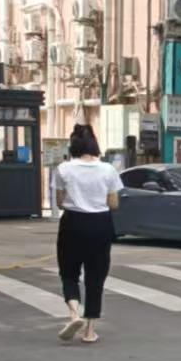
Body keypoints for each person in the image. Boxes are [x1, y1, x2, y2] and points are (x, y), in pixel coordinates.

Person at [54, 124, 122, 344]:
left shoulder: (64, 169)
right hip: (100, 224)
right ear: (94, 144)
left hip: (72, 222)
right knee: (96, 276)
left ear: (73, 145)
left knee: (69, 272)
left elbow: (59, 202)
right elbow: (114, 204)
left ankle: (74, 314)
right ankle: (89, 331)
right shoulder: (108, 170)